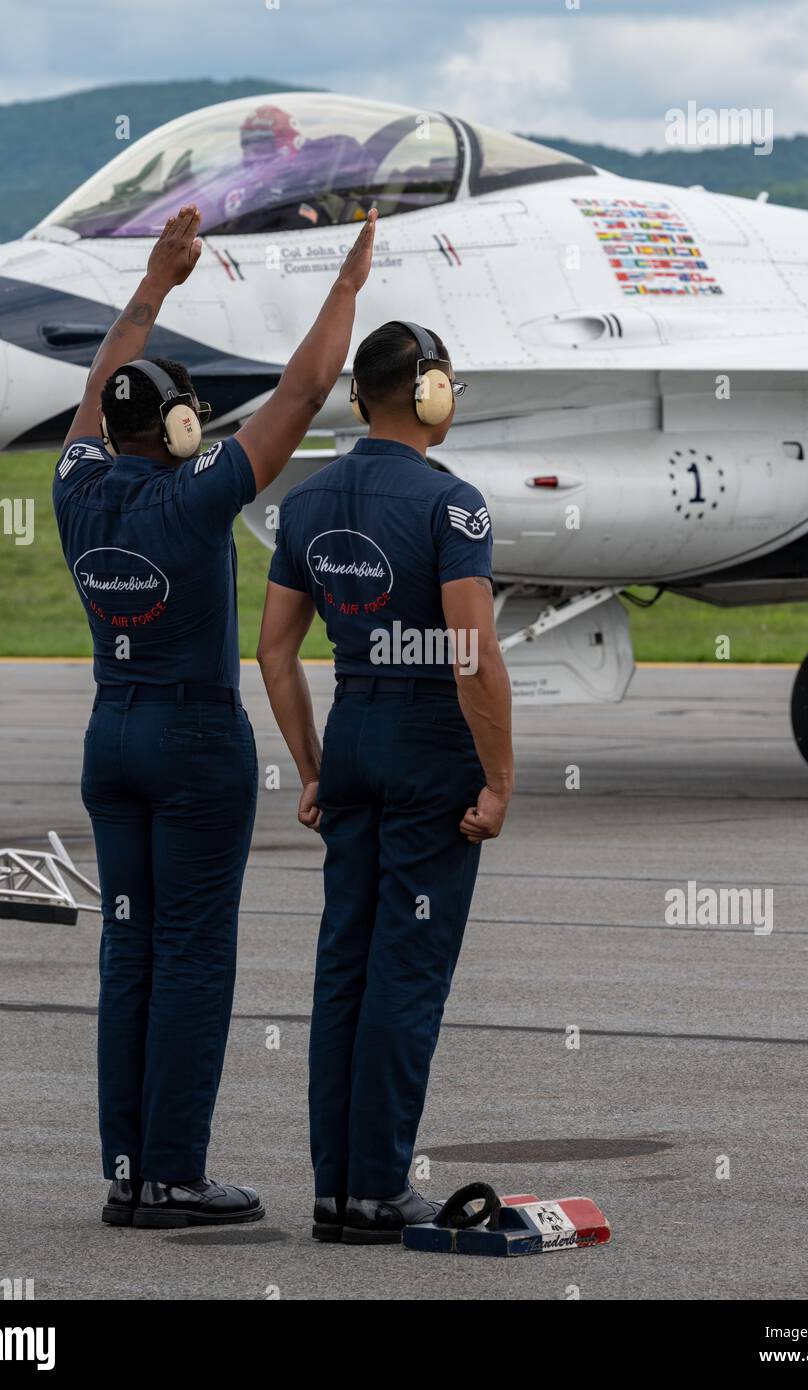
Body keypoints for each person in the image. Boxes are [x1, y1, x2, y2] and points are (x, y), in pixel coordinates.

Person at [52, 203, 377, 1229]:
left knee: (129, 948)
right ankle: (175, 1175)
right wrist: (347, 288)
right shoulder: (195, 497)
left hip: (112, 735)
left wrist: (153, 285)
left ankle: (129, 1172)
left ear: (112, 427)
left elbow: (100, 387)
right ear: (185, 429)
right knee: (193, 950)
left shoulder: (77, 485)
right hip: (194, 739)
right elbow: (305, 391)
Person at [256, 320, 514, 1243]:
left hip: (355, 729)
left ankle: (336, 1191)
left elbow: (274, 652)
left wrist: (315, 766)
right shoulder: (455, 507)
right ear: (433, 391)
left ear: (362, 398)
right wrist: (499, 777)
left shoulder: (307, 502)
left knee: (345, 970)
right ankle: (375, 1190)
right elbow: (472, 653)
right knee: (405, 973)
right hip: (427, 746)